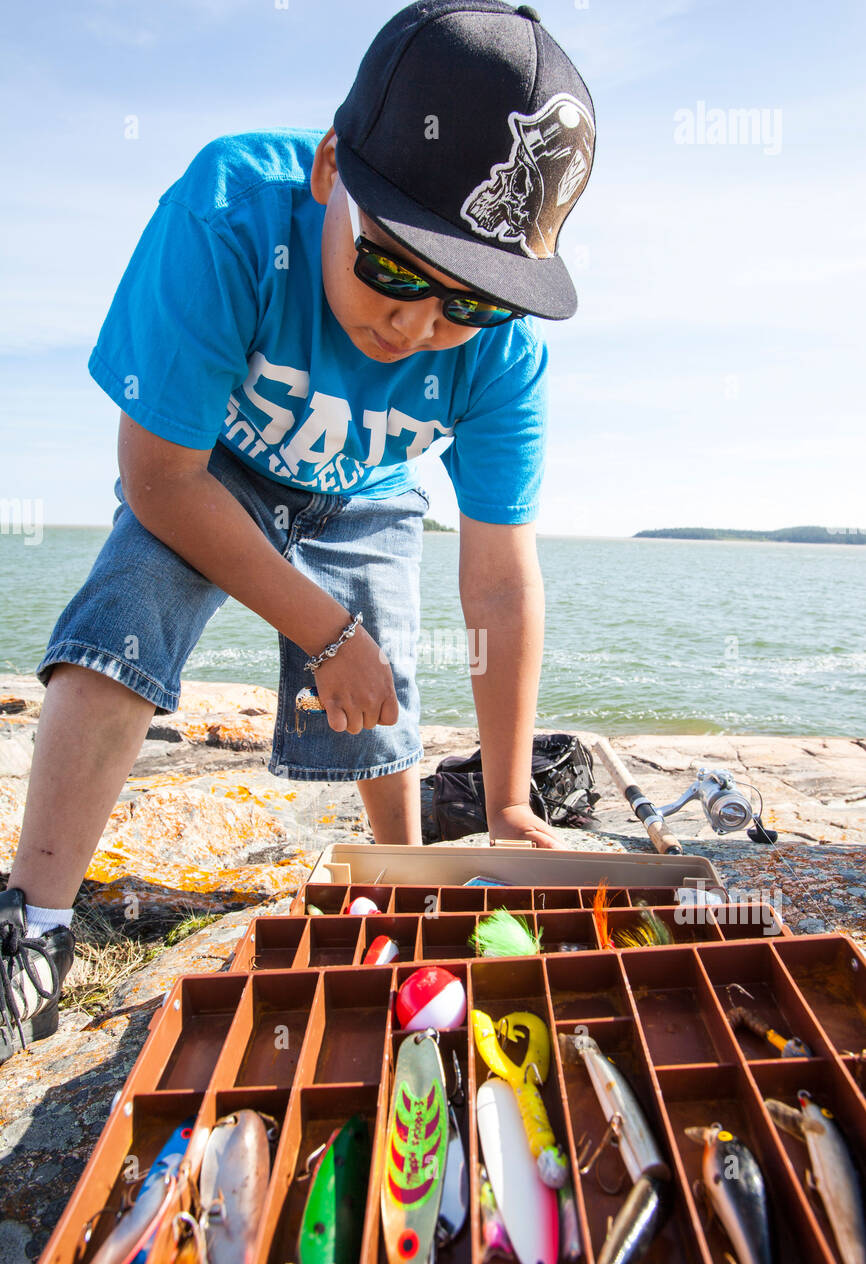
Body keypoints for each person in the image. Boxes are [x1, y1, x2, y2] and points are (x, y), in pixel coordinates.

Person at [0, 0, 595, 1060]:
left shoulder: (498, 354)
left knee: (382, 691)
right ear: (331, 170)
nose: (416, 327)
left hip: (364, 486)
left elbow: (497, 580)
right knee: (127, 614)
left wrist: (507, 799)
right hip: (209, 467)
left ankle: (402, 879)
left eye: (470, 304)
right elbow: (157, 476)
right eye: (396, 268)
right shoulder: (229, 212)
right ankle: (33, 919)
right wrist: (322, 632)